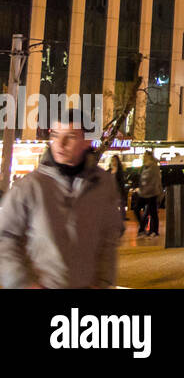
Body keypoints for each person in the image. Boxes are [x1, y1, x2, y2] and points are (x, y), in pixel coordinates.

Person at [0, 109, 122, 288]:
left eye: (70, 136)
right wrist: (22, 282)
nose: (60, 144)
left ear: (87, 141)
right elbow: (5, 237)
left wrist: (102, 282)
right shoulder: (29, 187)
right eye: (55, 135)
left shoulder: (103, 184)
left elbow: (110, 236)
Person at [136, 151, 162, 237]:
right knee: (137, 209)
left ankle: (154, 231)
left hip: (152, 193)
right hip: (143, 193)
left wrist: (156, 192)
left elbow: (156, 181)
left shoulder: (154, 167)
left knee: (152, 212)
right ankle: (143, 227)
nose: (143, 157)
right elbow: (141, 180)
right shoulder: (144, 167)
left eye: (144, 155)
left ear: (149, 156)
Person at [108, 154, 129, 223]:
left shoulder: (120, 171)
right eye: (112, 160)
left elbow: (121, 182)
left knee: (121, 205)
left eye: (114, 160)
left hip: (118, 190)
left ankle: (122, 218)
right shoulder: (109, 171)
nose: (113, 162)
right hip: (111, 191)